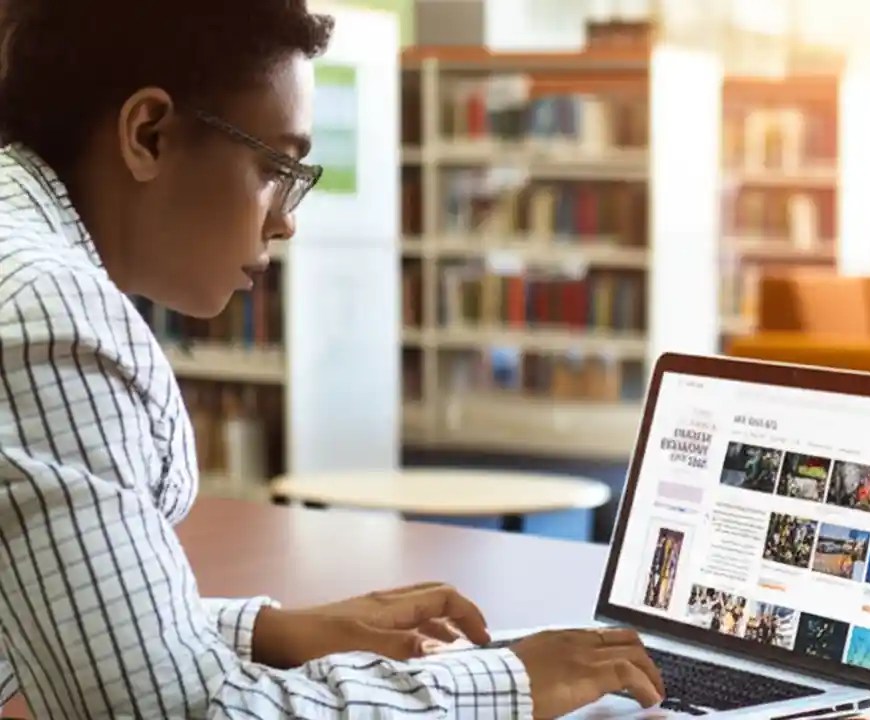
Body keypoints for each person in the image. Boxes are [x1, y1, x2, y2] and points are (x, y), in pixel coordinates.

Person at [0, 1, 662, 717]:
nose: (286, 220)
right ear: (149, 135)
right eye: (274, 167)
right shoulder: (50, 312)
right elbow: (179, 712)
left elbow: (61, 625)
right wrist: (512, 683)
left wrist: (271, 631)